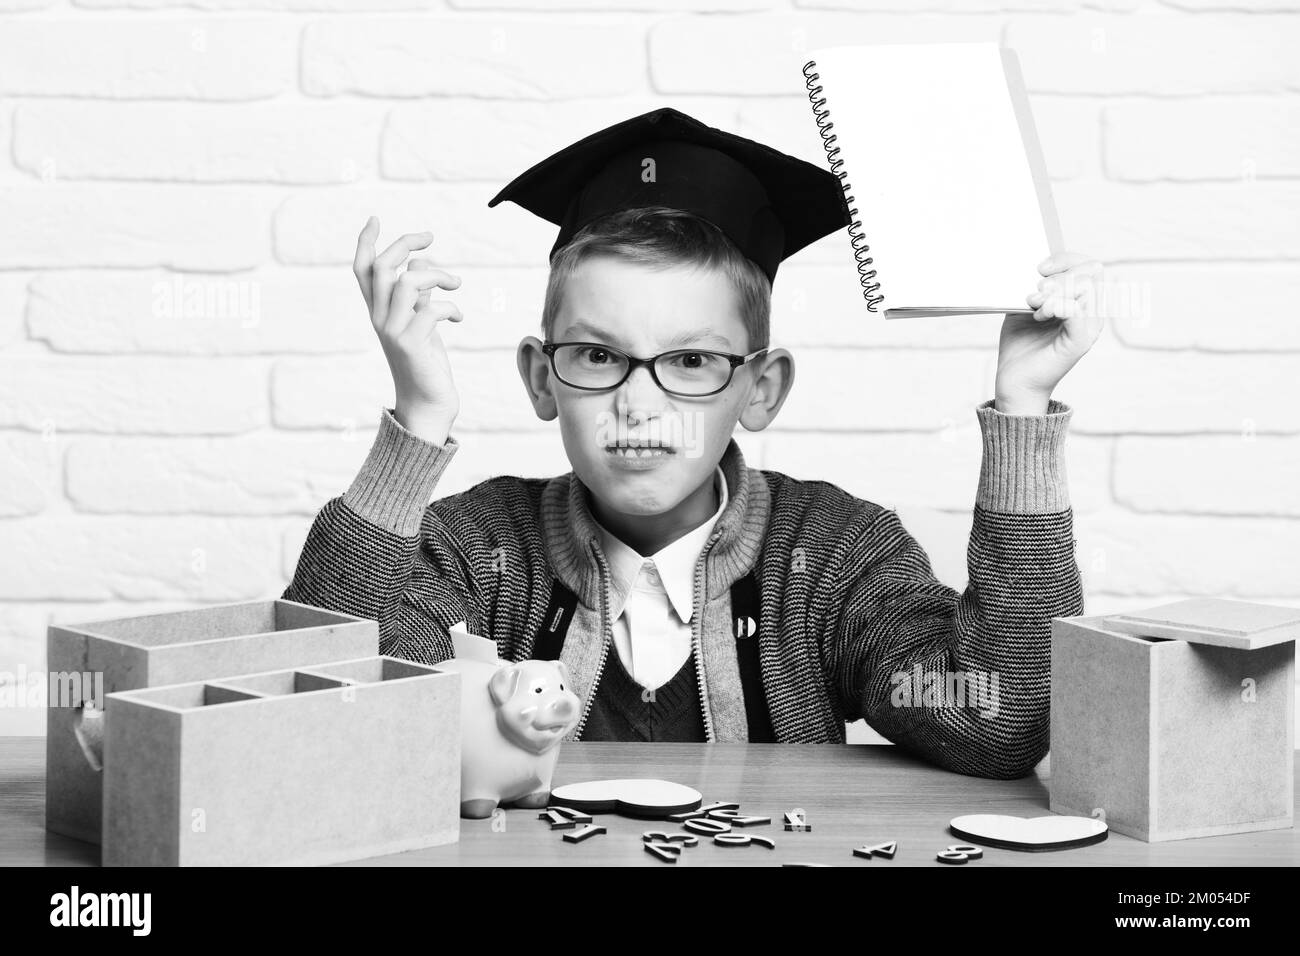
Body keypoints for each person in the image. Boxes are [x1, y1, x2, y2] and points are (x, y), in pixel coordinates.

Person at [283, 108, 1103, 778]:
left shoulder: (832, 556)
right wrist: (417, 423)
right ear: (542, 377)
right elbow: (319, 711)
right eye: (598, 355)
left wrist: (1024, 409)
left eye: (692, 361)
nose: (641, 406)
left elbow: (995, 720)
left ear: (761, 388)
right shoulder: (477, 549)